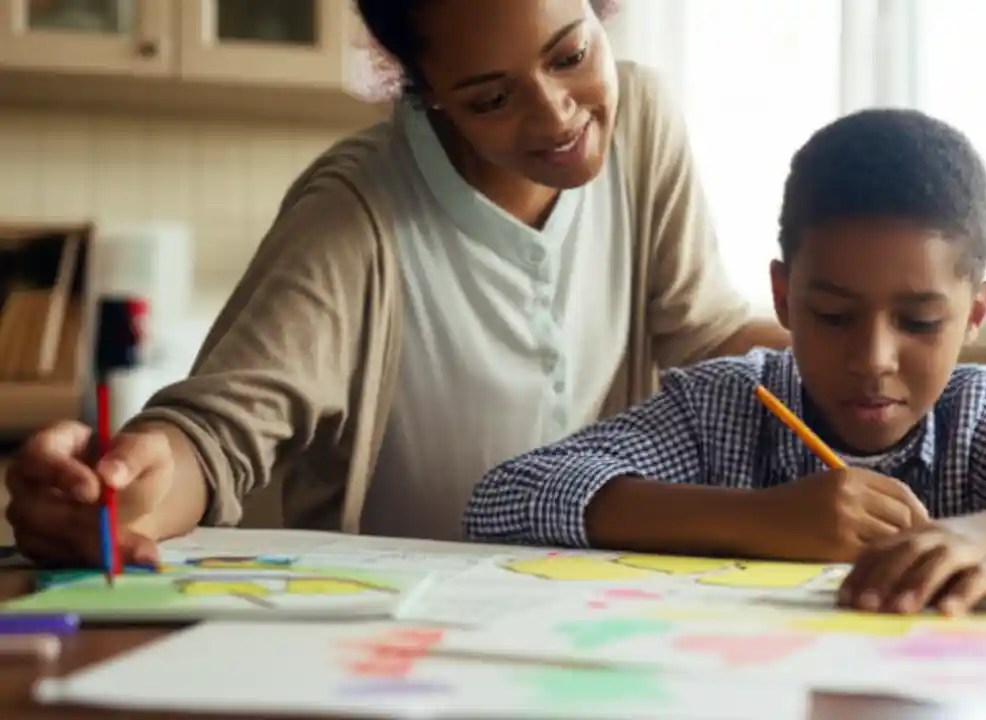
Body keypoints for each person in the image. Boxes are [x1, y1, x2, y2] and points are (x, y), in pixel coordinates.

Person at [3, 0, 788, 565]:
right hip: (401, 639)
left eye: (570, 56)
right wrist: (117, 496)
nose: (554, 116)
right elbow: (218, 435)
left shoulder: (642, 119)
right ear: (423, 88)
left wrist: (878, 349)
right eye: (491, 97)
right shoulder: (356, 213)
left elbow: (703, 332)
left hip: (589, 609)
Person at [464, 108, 986, 614]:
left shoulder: (981, 423)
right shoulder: (722, 408)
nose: (873, 359)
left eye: (918, 321)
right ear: (783, 297)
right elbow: (505, 498)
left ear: (976, 313)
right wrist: (765, 521)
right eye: (833, 315)